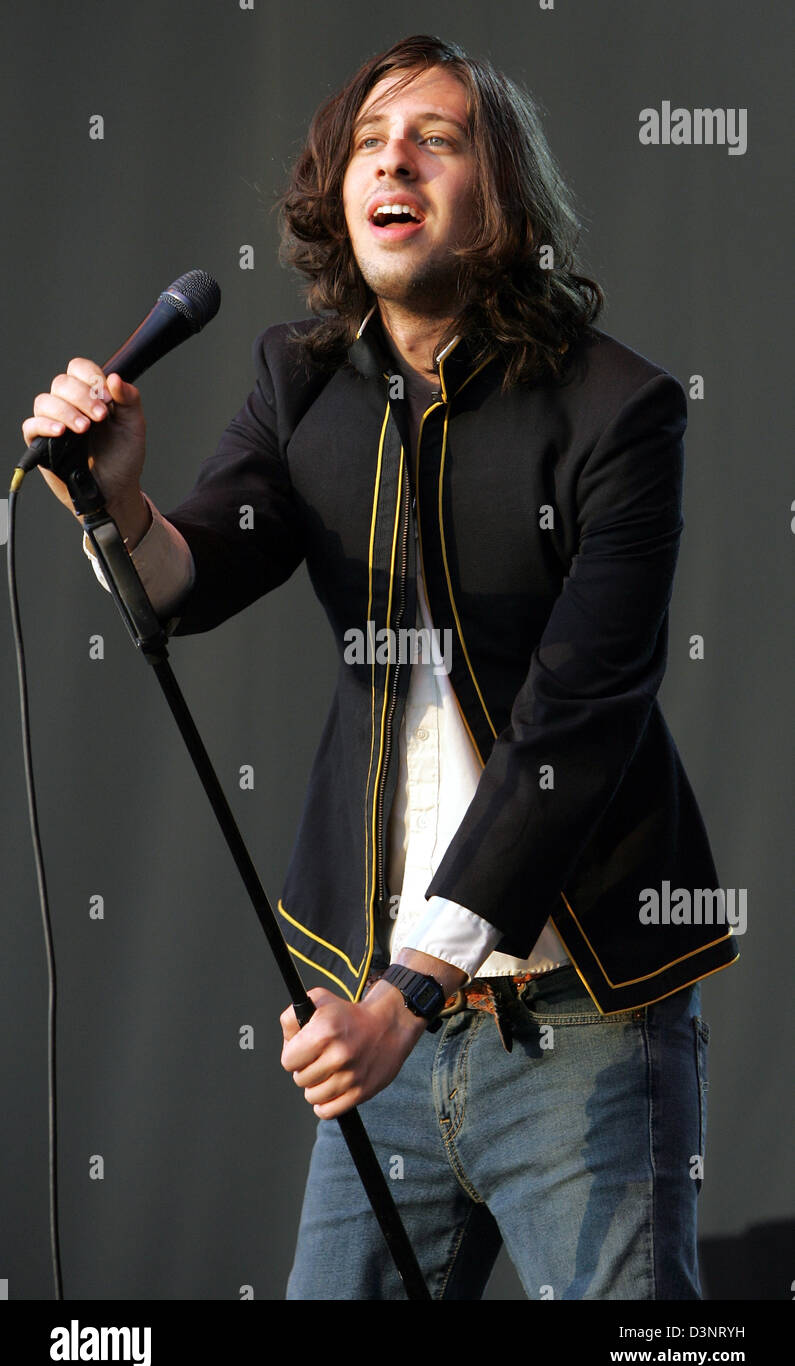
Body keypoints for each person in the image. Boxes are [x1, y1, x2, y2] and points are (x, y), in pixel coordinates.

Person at [23, 34, 739, 1300]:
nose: (391, 160)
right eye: (367, 143)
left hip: (580, 1023)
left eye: (436, 139)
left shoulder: (618, 411)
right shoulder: (303, 383)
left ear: (499, 198)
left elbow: (576, 722)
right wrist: (123, 509)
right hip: (384, 1025)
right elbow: (192, 575)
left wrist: (404, 997)